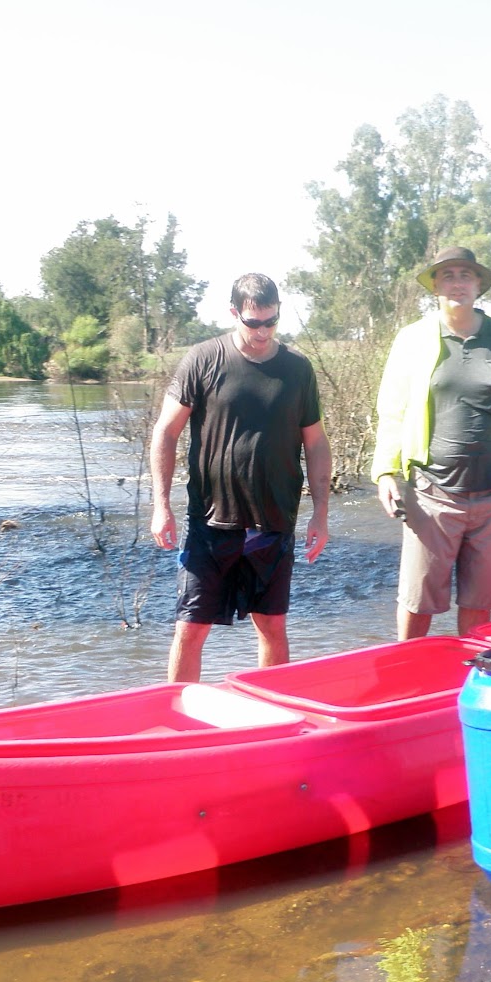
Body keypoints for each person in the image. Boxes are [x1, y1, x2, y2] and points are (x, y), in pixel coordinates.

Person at [371, 246, 491, 640]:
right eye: (448, 275)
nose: (457, 283)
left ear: (478, 284)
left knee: (479, 603)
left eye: (465, 275)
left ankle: (466, 682)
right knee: (418, 601)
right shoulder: (413, 338)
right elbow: (393, 410)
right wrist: (386, 472)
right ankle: (407, 680)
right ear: (436, 286)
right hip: (431, 492)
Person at [150, 273, 330, 682]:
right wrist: (161, 506)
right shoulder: (203, 359)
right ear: (234, 313)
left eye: (271, 321)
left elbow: (316, 443)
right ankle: (179, 720)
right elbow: (166, 432)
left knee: (272, 626)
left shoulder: (298, 369)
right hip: (211, 522)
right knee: (191, 627)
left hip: (273, 522)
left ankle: (273, 714)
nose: (263, 332)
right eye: (254, 323)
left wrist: (321, 513)